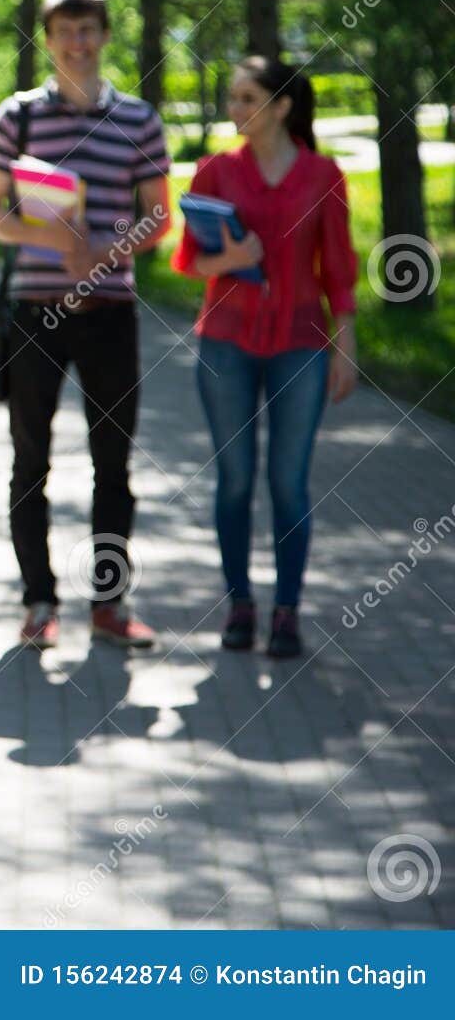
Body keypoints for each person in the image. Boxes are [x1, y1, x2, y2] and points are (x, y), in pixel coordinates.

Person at [0, 0, 172, 652]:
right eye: (65, 31)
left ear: (104, 35)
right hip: (36, 312)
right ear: (48, 39)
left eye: (88, 30)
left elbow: (159, 214)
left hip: (111, 310)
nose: (77, 43)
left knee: (111, 464)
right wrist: (56, 238)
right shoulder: (18, 117)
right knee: (30, 460)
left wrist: (106, 248)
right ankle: (39, 602)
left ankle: (110, 604)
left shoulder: (140, 118)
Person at [172, 56, 358, 659]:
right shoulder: (214, 172)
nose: (234, 109)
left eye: (246, 97)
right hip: (226, 339)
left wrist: (345, 340)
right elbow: (185, 261)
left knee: (288, 483)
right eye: (231, 97)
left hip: (301, 343)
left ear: (281, 106)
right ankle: (240, 605)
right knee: (234, 481)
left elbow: (337, 265)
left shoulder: (322, 174)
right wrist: (228, 261)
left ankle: (286, 613)